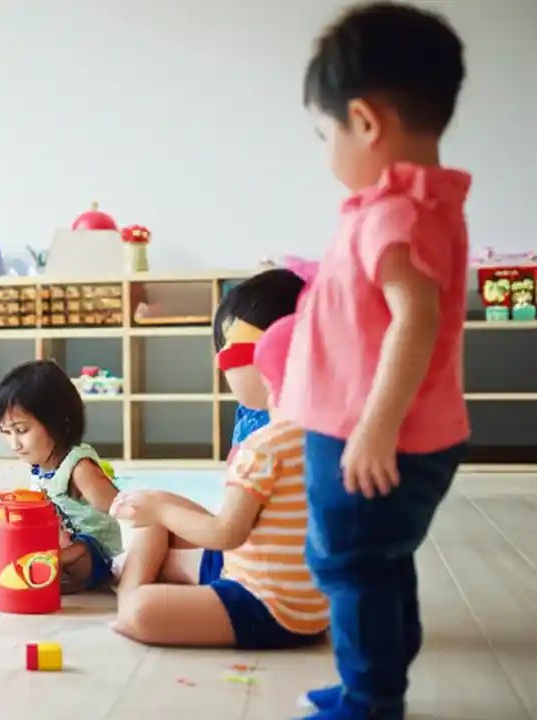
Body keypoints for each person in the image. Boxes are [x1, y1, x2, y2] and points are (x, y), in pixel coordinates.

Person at [283, 4, 470, 718]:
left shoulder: (393, 213)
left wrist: (374, 425)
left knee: (349, 564)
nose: (326, 147)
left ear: (364, 121)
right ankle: (376, 679)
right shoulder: (424, 204)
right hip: (401, 431)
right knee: (380, 562)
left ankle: (370, 700)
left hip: (369, 432)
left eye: (324, 131)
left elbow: (414, 320)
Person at [110, 316, 329, 650]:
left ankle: (128, 597)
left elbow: (226, 533)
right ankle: (142, 572)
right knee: (155, 514)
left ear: (268, 379)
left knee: (142, 609)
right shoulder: (336, 443)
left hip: (268, 606)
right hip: (320, 607)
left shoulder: (264, 446)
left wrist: (159, 511)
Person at [202, 268, 308, 589]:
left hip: (265, 566)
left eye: (232, 353)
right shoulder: (249, 413)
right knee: (156, 520)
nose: (223, 367)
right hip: (238, 540)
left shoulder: (286, 431)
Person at [0, 360, 121, 592]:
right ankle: (47, 568)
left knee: (80, 549)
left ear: (58, 421)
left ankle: (50, 568)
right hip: (66, 543)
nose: (14, 444)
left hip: (102, 555)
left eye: (21, 431)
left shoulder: (79, 468)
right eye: (6, 433)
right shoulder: (41, 467)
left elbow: (124, 511)